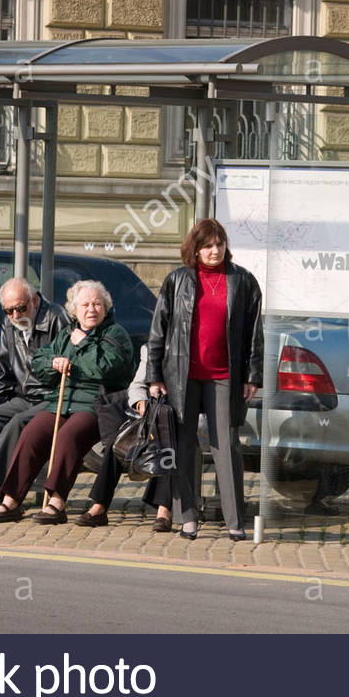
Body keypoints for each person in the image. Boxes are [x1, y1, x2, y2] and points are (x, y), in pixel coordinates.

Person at [147, 219, 263, 541]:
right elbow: (159, 332)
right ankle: (187, 517)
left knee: (225, 445)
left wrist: (252, 375)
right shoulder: (177, 280)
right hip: (182, 377)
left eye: (219, 244)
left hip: (225, 375)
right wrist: (154, 376)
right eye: (208, 245)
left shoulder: (243, 281)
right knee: (184, 446)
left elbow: (255, 333)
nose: (215, 251)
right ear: (195, 249)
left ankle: (234, 521)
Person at [0, 280, 135, 524]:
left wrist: (82, 345)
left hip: (98, 404)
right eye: (85, 304)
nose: (91, 309)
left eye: (97, 304)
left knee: (68, 435)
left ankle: (56, 501)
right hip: (62, 400)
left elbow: (104, 369)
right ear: (75, 310)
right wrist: (54, 363)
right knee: (32, 432)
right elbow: (40, 361)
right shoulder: (67, 334)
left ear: (105, 307)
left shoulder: (115, 334)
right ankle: (11, 499)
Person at [0, 278, 70, 519]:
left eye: (21, 308)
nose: (16, 314)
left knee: (16, 424)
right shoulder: (9, 326)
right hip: (26, 396)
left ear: (35, 300)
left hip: (52, 395)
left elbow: (68, 363)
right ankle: (1, 493)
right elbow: (5, 376)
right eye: (9, 310)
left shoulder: (56, 318)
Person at [78, 345, 174, 530]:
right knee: (117, 443)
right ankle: (100, 505)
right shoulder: (149, 348)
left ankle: (164, 511)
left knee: (168, 443)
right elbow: (136, 386)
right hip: (149, 416)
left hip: (176, 418)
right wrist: (140, 401)